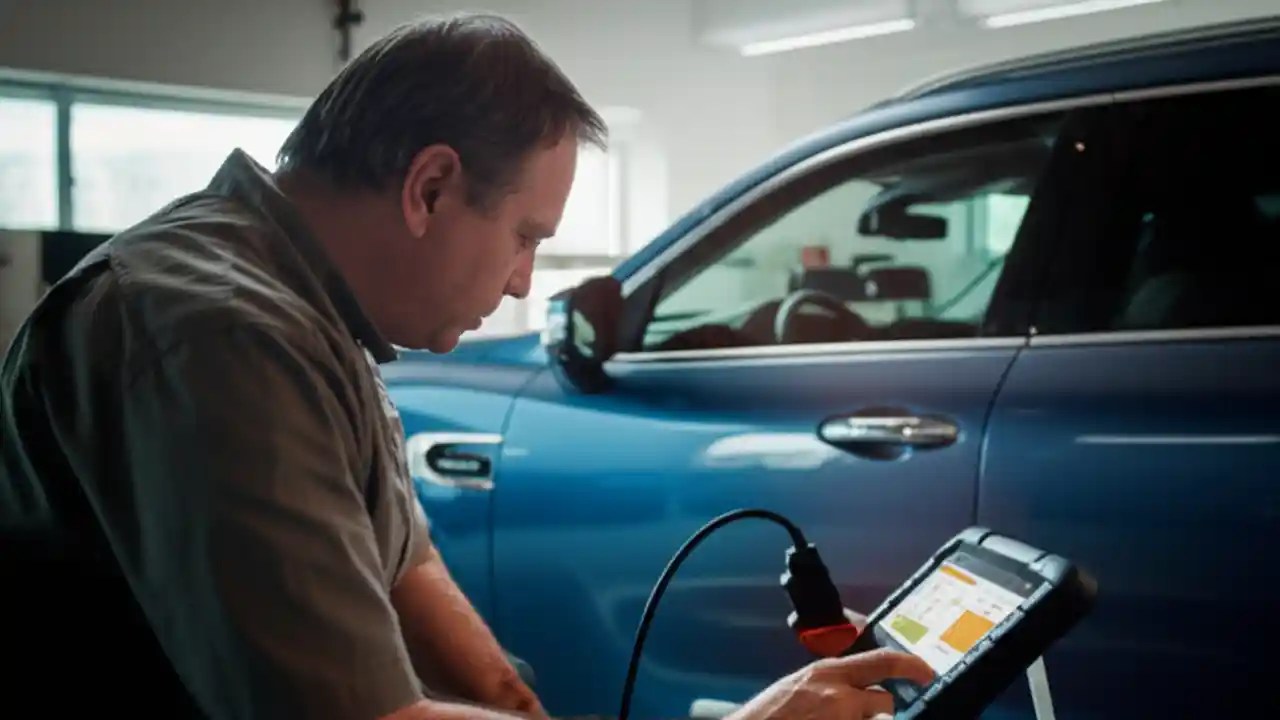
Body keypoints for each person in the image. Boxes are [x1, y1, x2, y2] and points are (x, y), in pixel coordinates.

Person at [0, 13, 933, 720]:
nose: (528, 279)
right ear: (430, 188)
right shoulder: (216, 333)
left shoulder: (312, 312)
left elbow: (413, 584)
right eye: (525, 237)